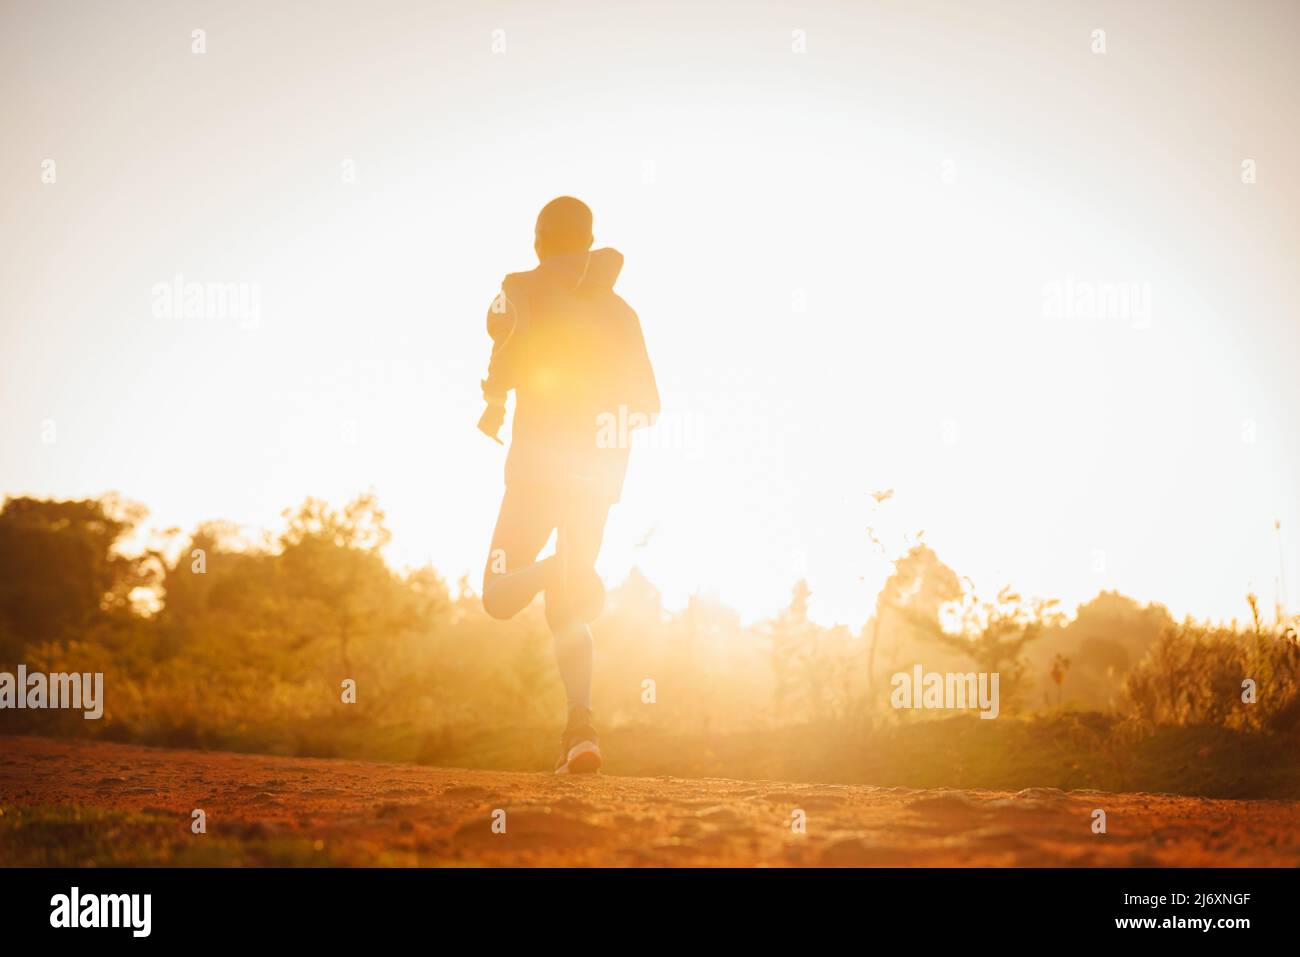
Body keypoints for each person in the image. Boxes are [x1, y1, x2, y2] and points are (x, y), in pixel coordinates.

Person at [477, 196, 659, 774]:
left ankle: (559, 572)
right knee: (570, 609)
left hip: (535, 469)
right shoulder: (622, 313)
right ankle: (581, 730)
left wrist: (495, 398)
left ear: (537, 240)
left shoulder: (521, 288)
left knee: (499, 592)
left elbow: (501, 342)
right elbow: (648, 407)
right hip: (596, 480)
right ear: (588, 241)